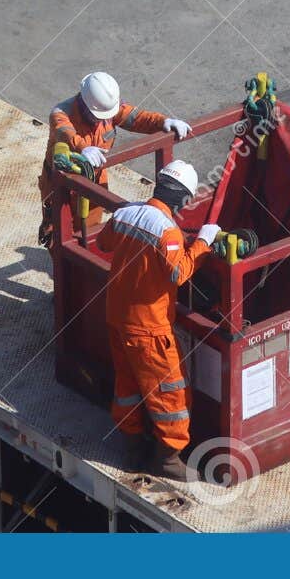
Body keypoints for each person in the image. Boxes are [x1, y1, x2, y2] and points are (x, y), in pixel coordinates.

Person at [96, 159, 218, 480]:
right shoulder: (168, 231)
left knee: (128, 385)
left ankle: (133, 450)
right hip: (149, 328)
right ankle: (166, 458)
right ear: (182, 199)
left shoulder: (124, 214)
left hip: (117, 318)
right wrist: (204, 243)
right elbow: (179, 273)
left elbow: (102, 242)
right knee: (171, 392)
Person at [39, 72, 189, 233]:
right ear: (84, 102)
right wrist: (83, 149)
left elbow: (136, 117)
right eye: (98, 116)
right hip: (60, 182)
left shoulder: (109, 109)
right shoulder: (61, 113)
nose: (102, 120)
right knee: (56, 229)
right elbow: (64, 132)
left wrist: (163, 122)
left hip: (93, 179)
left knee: (89, 231)